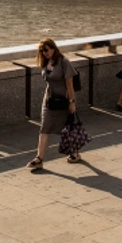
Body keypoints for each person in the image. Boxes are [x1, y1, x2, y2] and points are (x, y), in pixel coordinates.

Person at [29, 37, 79, 169]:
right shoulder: (45, 62)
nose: (44, 53)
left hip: (64, 100)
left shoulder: (64, 62)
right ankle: (39, 159)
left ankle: (74, 152)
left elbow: (69, 84)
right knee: (45, 127)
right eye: (41, 51)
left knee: (68, 128)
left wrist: (72, 102)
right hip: (49, 100)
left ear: (53, 48)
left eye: (45, 50)